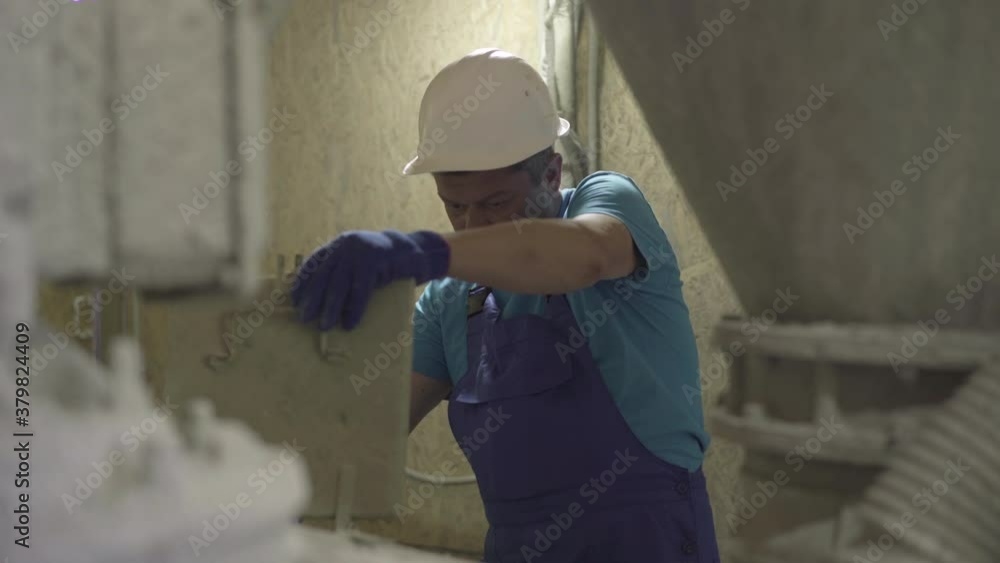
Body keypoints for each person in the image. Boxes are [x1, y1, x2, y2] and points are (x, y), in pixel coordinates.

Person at [291, 48, 720, 563]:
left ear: (551, 174)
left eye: (496, 203)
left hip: (644, 541)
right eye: (454, 205)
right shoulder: (448, 301)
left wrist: (420, 252)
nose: (473, 226)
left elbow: (583, 256)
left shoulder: (608, 204)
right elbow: (364, 431)